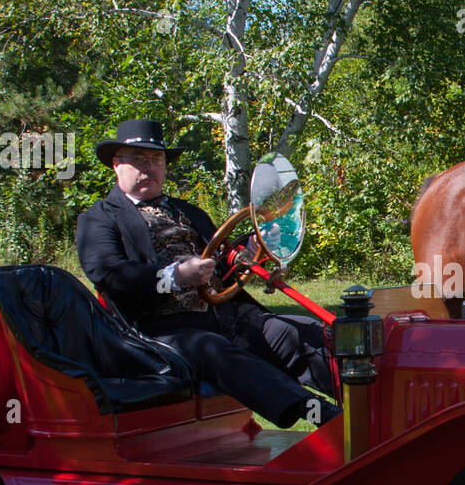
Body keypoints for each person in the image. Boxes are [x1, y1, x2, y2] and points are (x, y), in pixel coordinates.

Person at [76, 119, 339, 428]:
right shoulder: (98, 219)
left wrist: (252, 249)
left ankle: (368, 401)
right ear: (117, 164)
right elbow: (109, 275)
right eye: (139, 159)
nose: (150, 167)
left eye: (156, 159)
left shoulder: (188, 211)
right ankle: (323, 417)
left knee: (301, 332)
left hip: (227, 316)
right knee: (214, 351)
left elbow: (222, 260)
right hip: (158, 333)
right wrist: (174, 276)